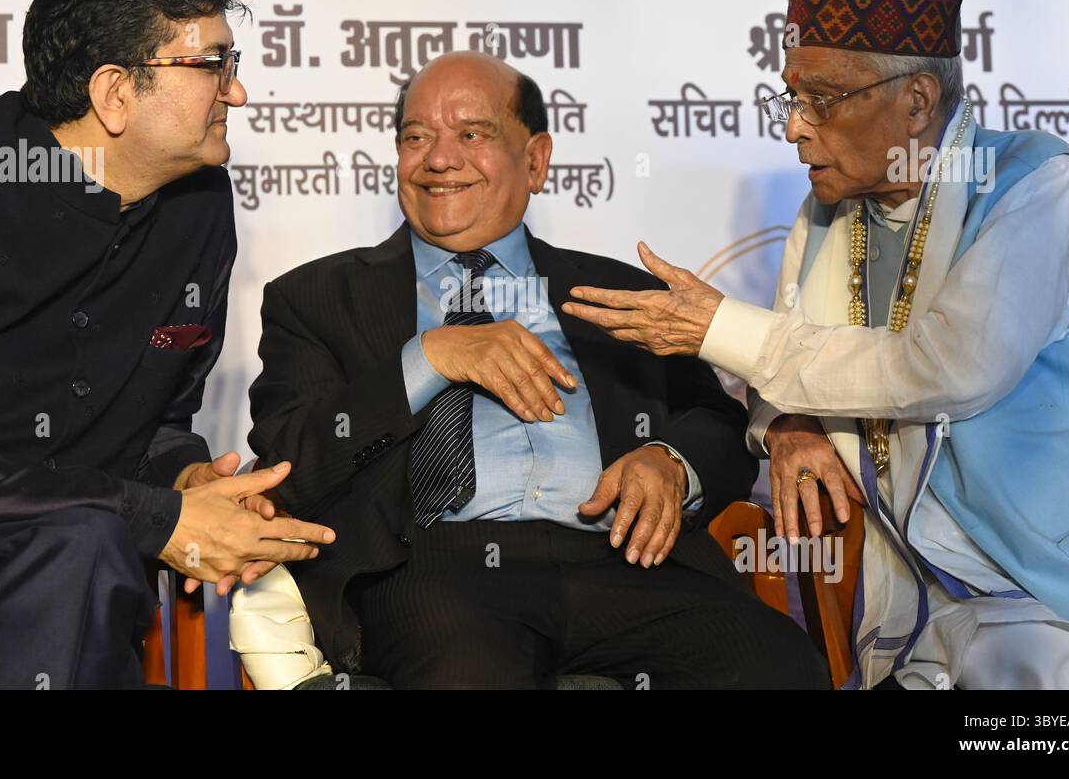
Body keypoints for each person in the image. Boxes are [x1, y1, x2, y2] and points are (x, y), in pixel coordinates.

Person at [563, 0, 1069, 689]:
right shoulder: (828, 210)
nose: (793, 125)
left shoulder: (1033, 185)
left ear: (917, 102)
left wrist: (718, 328)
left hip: (1047, 598)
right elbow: (786, 369)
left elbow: (950, 368)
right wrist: (788, 426)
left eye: (823, 100)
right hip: (908, 600)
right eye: (792, 95)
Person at [243, 50, 828, 689]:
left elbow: (717, 418)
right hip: (437, 572)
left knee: (781, 667)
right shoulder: (319, 297)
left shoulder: (616, 292)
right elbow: (291, 465)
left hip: (627, 561)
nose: (438, 159)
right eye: (416, 138)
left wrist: (669, 460)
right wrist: (431, 355)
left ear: (536, 160)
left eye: (472, 134)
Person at [0, 0, 332, 689]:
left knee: (80, 546)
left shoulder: (200, 205)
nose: (236, 88)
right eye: (212, 64)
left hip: (72, 597)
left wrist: (188, 484)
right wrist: (154, 517)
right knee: (80, 538)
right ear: (113, 93)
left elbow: (160, 424)